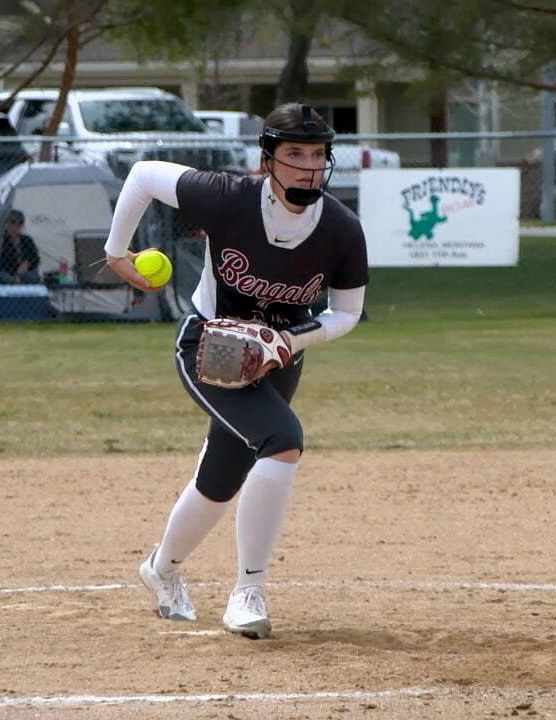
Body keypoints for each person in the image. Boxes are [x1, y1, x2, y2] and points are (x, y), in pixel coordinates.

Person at [103, 103, 369, 639]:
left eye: (317, 155)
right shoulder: (227, 198)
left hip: (278, 354)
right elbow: (143, 176)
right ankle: (248, 591)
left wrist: (289, 339)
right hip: (210, 343)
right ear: (268, 158)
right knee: (282, 439)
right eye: (294, 154)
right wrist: (116, 253)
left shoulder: (341, 229)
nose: (307, 167)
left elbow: (347, 312)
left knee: (221, 477)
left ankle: (161, 570)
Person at [0, 209, 42, 286]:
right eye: (7, 222)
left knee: (33, 276)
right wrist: (16, 273)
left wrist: (27, 264)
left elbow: (35, 259)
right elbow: (2, 263)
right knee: (3, 278)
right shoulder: (2, 243)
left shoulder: (26, 240)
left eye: (13, 223)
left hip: (24, 273)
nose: (9, 226)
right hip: (9, 273)